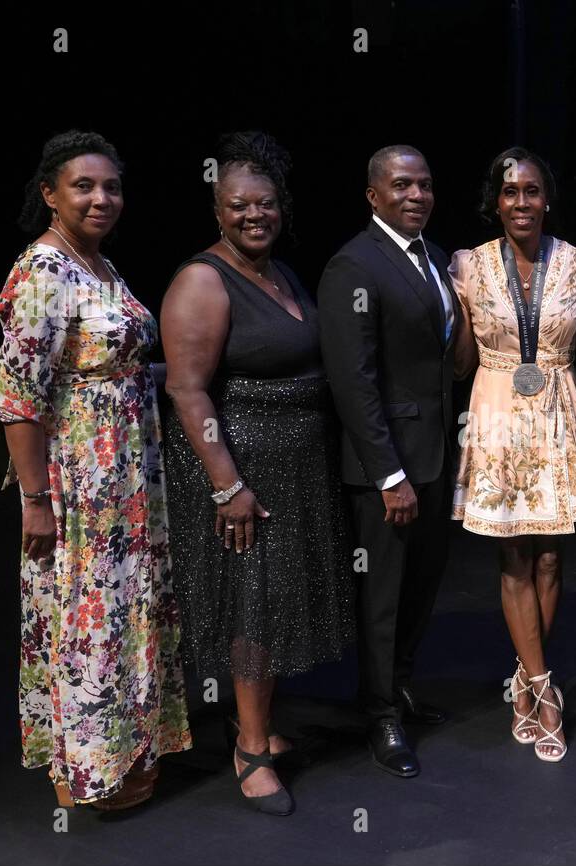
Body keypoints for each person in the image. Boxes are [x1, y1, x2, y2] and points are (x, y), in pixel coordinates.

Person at [0, 130, 191, 810]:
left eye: (111, 186)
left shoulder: (100, 265)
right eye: (84, 186)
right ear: (49, 194)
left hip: (127, 484)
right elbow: (18, 397)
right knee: (88, 621)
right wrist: (34, 501)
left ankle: (129, 749)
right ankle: (90, 768)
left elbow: (119, 363)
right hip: (79, 485)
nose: (101, 197)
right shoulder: (44, 271)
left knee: (124, 614)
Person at [160, 131, 356, 816]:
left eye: (266, 204)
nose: (255, 215)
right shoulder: (201, 280)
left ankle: (258, 721)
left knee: (273, 602)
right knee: (253, 603)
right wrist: (228, 485)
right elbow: (187, 391)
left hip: (293, 461)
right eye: (240, 205)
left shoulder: (279, 272)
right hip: (243, 464)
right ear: (217, 210)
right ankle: (248, 750)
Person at [449, 148, 576, 762]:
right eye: (509, 192)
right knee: (514, 555)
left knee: (550, 560)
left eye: (532, 192)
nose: (521, 203)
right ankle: (542, 690)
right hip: (495, 410)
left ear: (547, 199)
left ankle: (523, 679)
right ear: (496, 202)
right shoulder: (468, 264)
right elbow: (460, 361)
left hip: (559, 408)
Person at [318, 145, 456, 778]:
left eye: (424, 185)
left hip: (433, 458)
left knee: (421, 587)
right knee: (383, 596)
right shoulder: (355, 265)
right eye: (402, 185)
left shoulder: (429, 258)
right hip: (388, 471)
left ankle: (399, 688)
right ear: (373, 195)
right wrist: (389, 475)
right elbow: (354, 381)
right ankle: (378, 716)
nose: (416, 195)